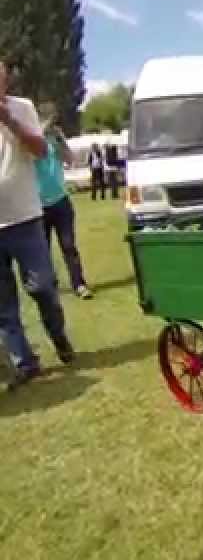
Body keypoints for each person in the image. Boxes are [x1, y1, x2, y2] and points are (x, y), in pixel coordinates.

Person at [0, 58, 75, 390]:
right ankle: (24, 362)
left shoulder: (22, 108)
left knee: (42, 287)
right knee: (3, 304)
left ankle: (57, 335)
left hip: (26, 217)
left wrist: (10, 122)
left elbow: (41, 150)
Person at [34, 117, 93, 299]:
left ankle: (79, 284)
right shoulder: (32, 143)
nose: (50, 125)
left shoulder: (55, 141)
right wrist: (39, 134)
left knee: (69, 246)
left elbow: (70, 160)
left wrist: (60, 140)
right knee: (43, 250)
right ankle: (50, 285)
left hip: (61, 202)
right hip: (38, 206)